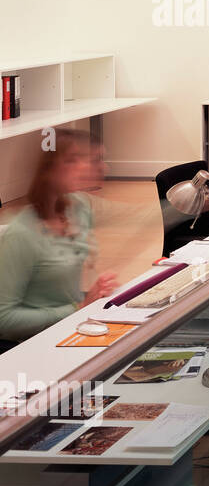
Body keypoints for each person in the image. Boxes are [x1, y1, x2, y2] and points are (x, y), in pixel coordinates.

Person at [0, 130, 117, 346]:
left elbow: (138, 215)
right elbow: (4, 320)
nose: (85, 167)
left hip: (66, 327)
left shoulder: (78, 207)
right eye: (73, 160)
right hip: (29, 345)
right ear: (48, 170)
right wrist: (77, 309)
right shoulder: (22, 234)